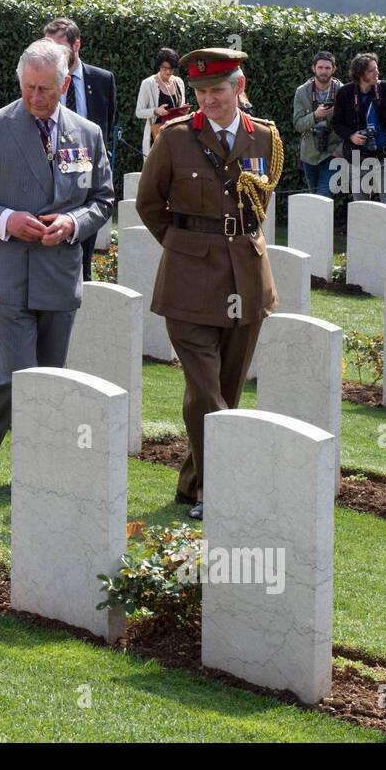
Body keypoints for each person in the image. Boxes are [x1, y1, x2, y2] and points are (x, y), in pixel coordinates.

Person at [0, 39, 114, 488]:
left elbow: (102, 200)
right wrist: (5, 219)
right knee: (16, 371)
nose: (35, 98)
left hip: (59, 275)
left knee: (49, 377)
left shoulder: (87, 134)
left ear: (64, 85)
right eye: (28, 87)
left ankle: (27, 460)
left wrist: (72, 222)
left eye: (45, 89)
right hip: (9, 273)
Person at [135, 48, 282, 520]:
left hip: (246, 275)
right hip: (188, 284)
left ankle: (190, 480)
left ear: (238, 87)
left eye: (216, 90)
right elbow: (149, 204)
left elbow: (259, 206)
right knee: (205, 391)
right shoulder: (176, 137)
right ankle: (214, 490)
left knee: (228, 389)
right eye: (199, 92)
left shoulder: (265, 139)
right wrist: (185, 248)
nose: (208, 100)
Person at [42, 17, 117, 282]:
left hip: (87, 175)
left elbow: (106, 123)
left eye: (61, 49)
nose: (55, 56)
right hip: (50, 176)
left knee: (83, 253)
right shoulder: (44, 82)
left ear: (77, 46)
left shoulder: (102, 80)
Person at [331, 52, 386, 214]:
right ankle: (363, 240)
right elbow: (336, 123)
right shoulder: (345, 93)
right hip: (356, 157)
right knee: (361, 208)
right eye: (372, 70)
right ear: (360, 73)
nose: (377, 73)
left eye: (377, 69)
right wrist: (351, 136)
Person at [292, 50, 342, 196]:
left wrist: (340, 150)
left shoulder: (342, 91)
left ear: (334, 69)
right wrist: (315, 115)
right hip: (309, 154)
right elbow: (298, 124)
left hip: (333, 154)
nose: (323, 71)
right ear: (313, 68)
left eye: (327, 68)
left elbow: (351, 125)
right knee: (314, 199)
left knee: (323, 196)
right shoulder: (302, 92)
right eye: (320, 67)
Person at [135, 47, 186, 156]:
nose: (168, 71)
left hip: (176, 135)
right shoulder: (148, 83)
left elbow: (180, 109)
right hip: (157, 136)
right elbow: (139, 112)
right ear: (159, 66)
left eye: (171, 68)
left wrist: (183, 110)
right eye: (164, 68)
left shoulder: (179, 82)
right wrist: (155, 111)